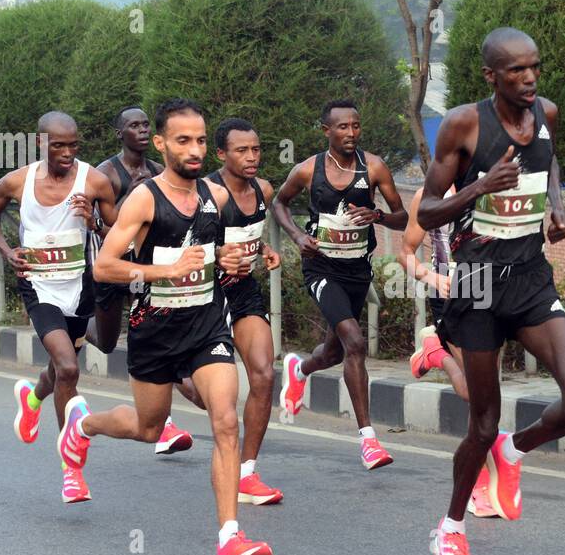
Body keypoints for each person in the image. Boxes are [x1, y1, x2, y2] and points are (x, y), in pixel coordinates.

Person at [54, 98, 273, 555]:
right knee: (149, 428)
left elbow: (213, 251)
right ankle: (83, 426)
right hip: (153, 329)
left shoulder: (214, 197)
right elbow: (105, 266)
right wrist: (167, 270)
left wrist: (230, 262)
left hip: (206, 326)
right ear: (161, 144)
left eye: (199, 140)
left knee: (225, 422)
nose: (194, 150)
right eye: (183, 141)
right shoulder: (145, 198)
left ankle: (229, 539)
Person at [417, 27, 565, 555]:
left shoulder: (546, 112)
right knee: (480, 422)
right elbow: (425, 211)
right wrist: (479, 187)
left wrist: (558, 205)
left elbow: (549, 162)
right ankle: (450, 530)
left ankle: (515, 450)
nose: (529, 79)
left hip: (530, 279)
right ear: (489, 75)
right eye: (516, 70)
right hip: (476, 285)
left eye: (534, 68)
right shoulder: (464, 125)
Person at [0, 111, 119, 505]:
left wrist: (93, 221)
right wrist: (8, 253)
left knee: (60, 368)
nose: (67, 153)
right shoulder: (16, 181)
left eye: (73, 145)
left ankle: (32, 397)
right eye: (58, 145)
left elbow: (120, 230)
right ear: (39, 143)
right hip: (38, 287)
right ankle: (71, 471)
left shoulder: (94, 181)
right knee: (70, 367)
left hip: (79, 286)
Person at [270, 99, 407, 470]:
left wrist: (377, 214)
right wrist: (298, 237)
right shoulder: (307, 169)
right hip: (321, 268)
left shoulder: (374, 166)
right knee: (356, 343)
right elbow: (279, 204)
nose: (350, 133)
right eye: (343, 127)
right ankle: (369, 440)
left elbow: (402, 217)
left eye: (356, 126)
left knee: (332, 353)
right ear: (326, 131)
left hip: (357, 271)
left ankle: (299, 369)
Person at [87, 105, 193, 455]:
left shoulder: (159, 172)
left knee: (156, 332)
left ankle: (163, 421)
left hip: (148, 271)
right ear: (120, 133)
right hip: (114, 267)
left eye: (146, 125)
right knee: (104, 341)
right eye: (134, 126)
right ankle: (78, 327)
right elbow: (97, 226)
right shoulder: (107, 175)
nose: (143, 131)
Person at [189, 117, 284, 506]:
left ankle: (247, 473)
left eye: (256, 149)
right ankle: (175, 374)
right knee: (210, 398)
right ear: (221, 154)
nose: (251, 157)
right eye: (241, 150)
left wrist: (262, 251)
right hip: (202, 295)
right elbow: (182, 248)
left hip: (243, 292)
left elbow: (249, 233)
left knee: (263, 374)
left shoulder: (263, 189)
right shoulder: (205, 193)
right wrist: (216, 258)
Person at [399, 186, 497, 518]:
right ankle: (480, 482)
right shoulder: (430, 194)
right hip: (452, 296)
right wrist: (430, 276)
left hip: (492, 293)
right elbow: (406, 252)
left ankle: (433, 350)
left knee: (488, 388)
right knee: (476, 393)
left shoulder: (497, 183)